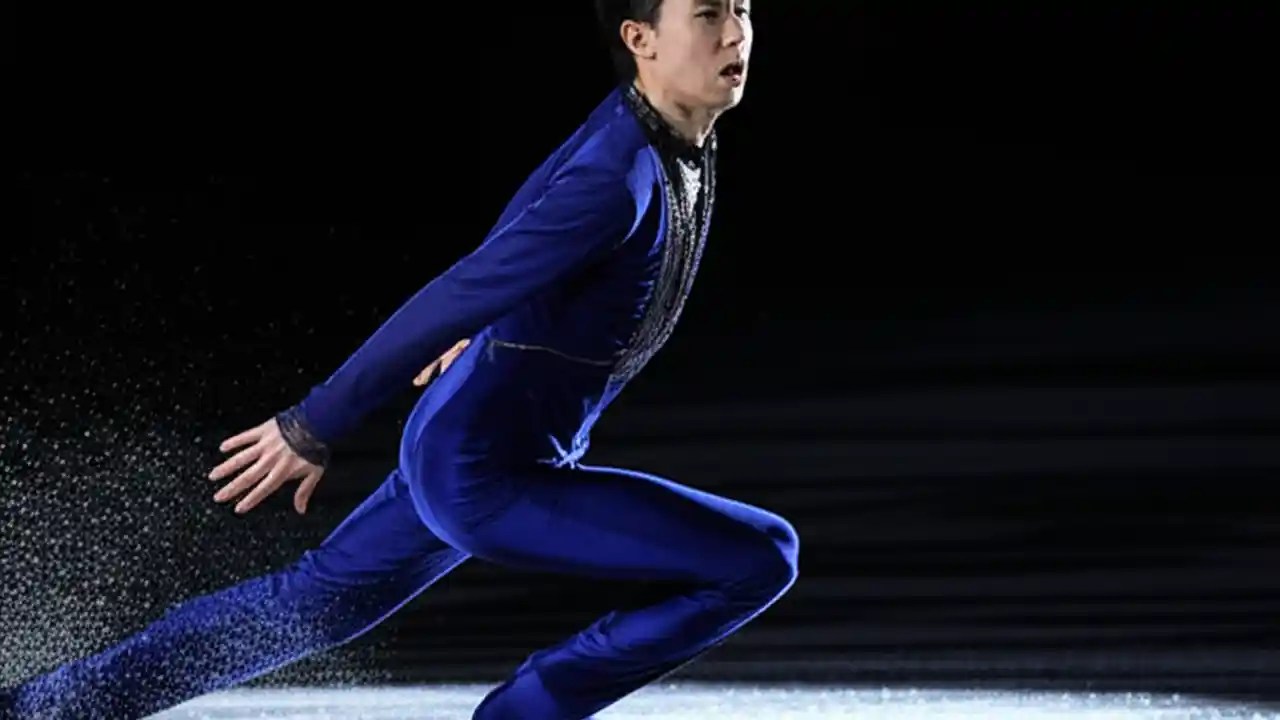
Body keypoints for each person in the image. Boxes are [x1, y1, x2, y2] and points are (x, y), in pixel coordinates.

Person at [3, 1, 797, 718]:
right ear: (641, 40)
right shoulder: (617, 176)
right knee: (758, 557)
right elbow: (460, 291)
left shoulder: (666, 130)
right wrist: (315, 421)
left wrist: (500, 323)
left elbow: (520, 242)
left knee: (307, 607)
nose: (737, 34)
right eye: (707, 14)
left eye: (744, 10)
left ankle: (46, 708)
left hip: (470, 433)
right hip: (488, 471)